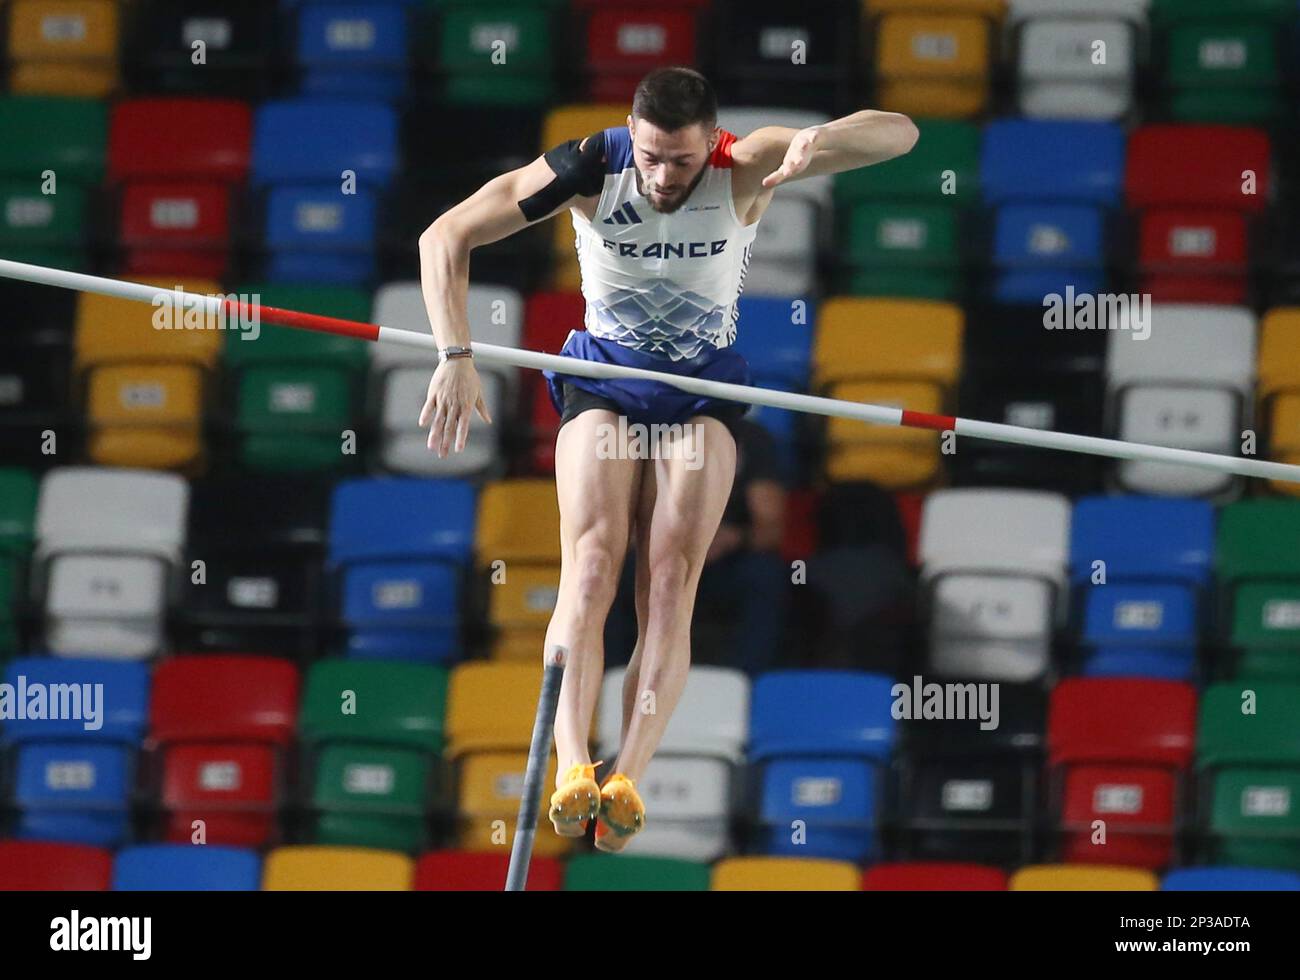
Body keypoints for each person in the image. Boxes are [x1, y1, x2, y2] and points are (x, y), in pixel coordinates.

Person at [416, 66, 917, 852]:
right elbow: (444, 235)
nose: (661, 177)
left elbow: (901, 133)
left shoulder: (745, 163)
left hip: (699, 388)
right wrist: (454, 351)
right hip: (606, 383)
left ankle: (628, 777)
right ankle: (574, 767)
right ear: (632, 134)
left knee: (671, 576)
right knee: (589, 567)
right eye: (650, 157)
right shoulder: (590, 164)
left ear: (709, 142)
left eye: (680, 162)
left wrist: (828, 140)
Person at [606, 415, 790, 677]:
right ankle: (612, 683)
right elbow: (624, 524)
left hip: (727, 560)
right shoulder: (649, 431)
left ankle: (746, 685)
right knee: (610, 575)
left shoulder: (751, 438)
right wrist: (674, 540)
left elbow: (771, 529)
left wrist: (734, 538)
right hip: (660, 553)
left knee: (769, 576)